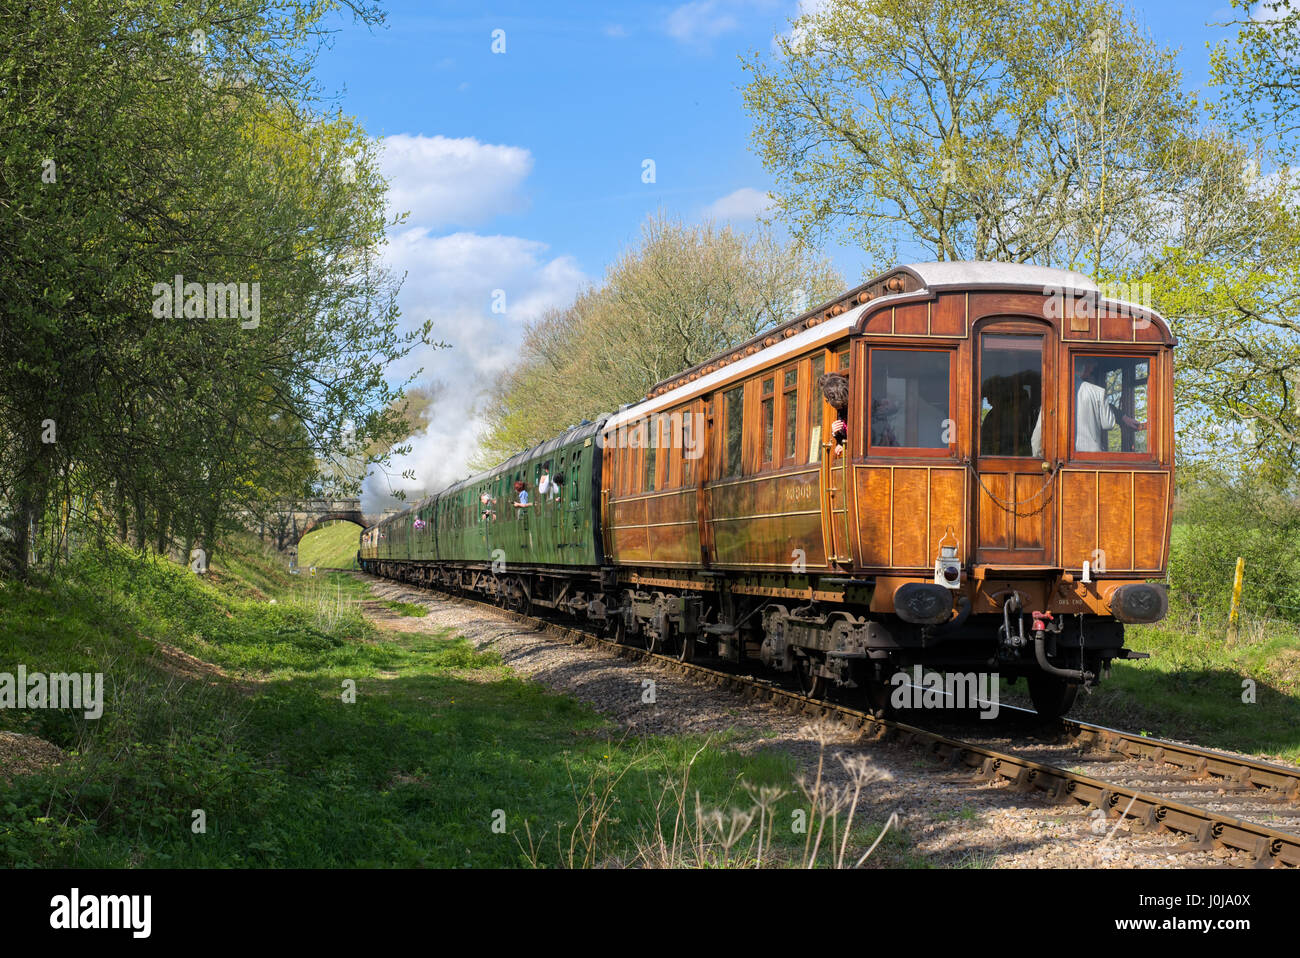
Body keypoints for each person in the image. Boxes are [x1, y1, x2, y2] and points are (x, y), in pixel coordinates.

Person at [1076, 359, 1144, 452]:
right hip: (1091, 454)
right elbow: (1108, 423)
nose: (1091, 371)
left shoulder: (1058, 390)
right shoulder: (1097, 392)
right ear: (1084, 366)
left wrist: (1123, 417)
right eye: (1091, 368)